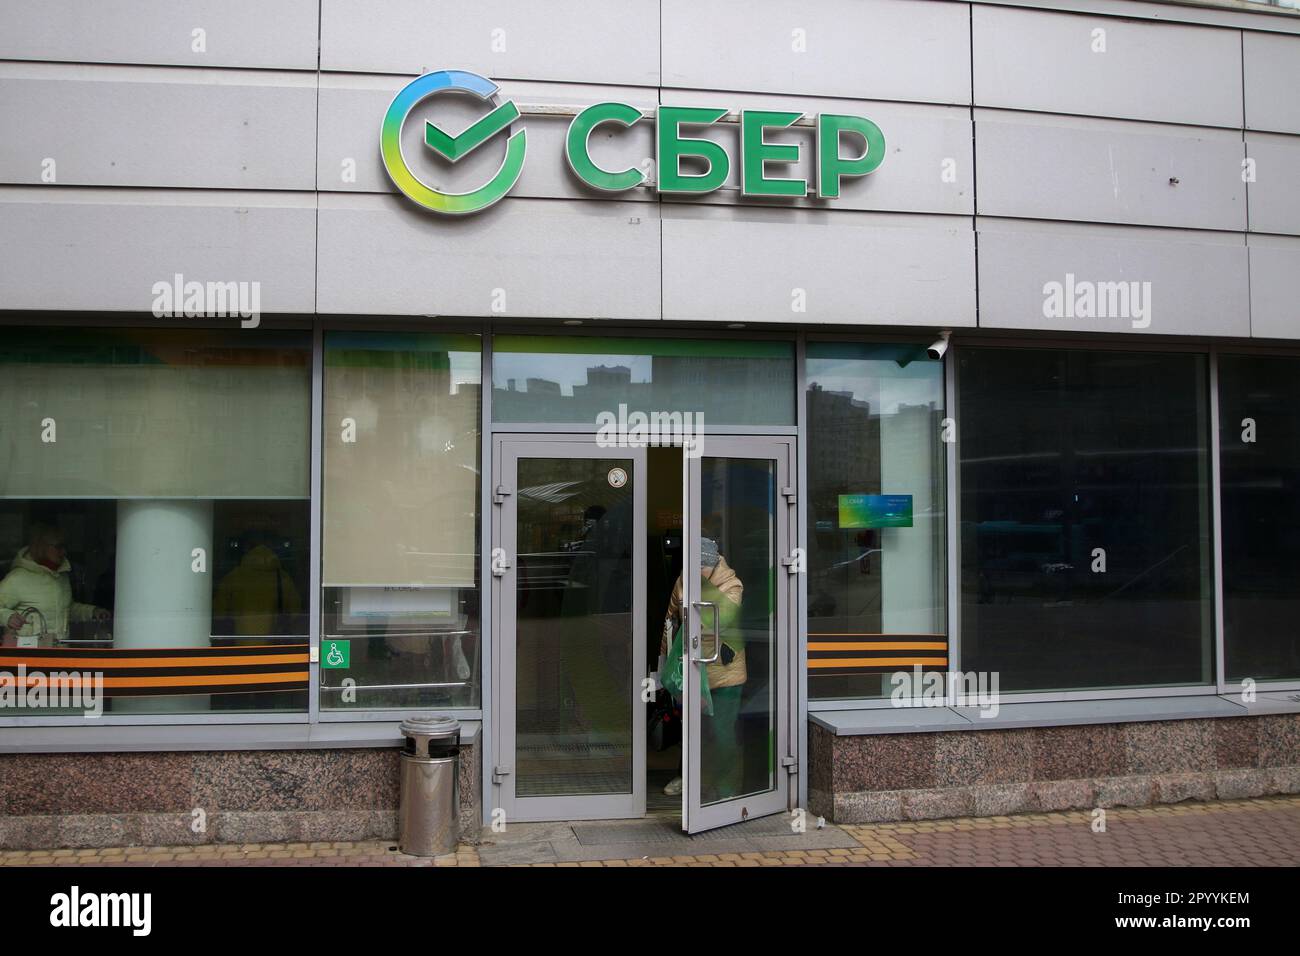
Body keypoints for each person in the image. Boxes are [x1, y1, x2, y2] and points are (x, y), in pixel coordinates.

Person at [659, 534, 746, 801]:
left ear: (713, 564)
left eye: (700, 568)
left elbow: (724, 617)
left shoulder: (732, 584)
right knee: (690, 729)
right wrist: (664, 659)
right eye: (693, 567)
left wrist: (698, 583)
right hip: (692, 667)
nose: (694, 572)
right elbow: (670, 618)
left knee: (722, 735)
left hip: (724, 671)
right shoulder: (686, 578)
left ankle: (726, 787)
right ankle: (687, 776)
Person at [0, 522, 110, 648]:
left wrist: (92, 612)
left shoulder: (61, 576)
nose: (63, 552)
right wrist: (7, 617)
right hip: (28, 657)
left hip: (58, 655)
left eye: (65, 546)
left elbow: (66, 608)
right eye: (58, 547)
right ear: (41, 546)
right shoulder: (17, 578)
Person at [213, 532, 303, 642]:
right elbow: (296, 611)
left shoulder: (234, 576)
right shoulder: (282, 578)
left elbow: (219, 613)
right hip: (273, 643)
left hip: (241, 642)